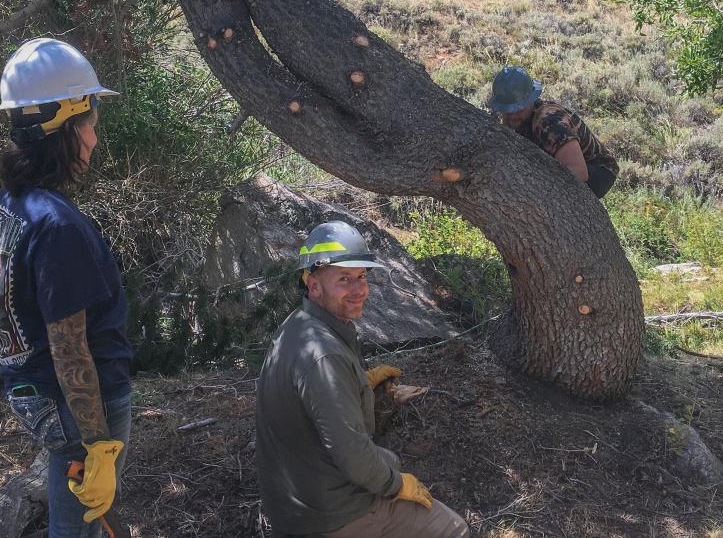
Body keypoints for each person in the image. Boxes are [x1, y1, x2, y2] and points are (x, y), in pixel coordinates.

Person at [0, 37, 131, 537]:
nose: (94, 138)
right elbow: (70, 349)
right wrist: (98, 446)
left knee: (82, 522)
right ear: (65, 127)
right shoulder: (58, 226)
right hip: (79, 407)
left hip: (35, 394)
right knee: (84, 527)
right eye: (89, 123)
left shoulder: (11, 203)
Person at [256, 221, 469, 537]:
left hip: (299, 502)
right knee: (452, 529)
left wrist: (358, 381)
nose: (358, 290)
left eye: (362, 277)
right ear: (313, 285)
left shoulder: (299, 326)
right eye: (344, 279)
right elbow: (353, 455)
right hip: (332, 516)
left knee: (390, 458)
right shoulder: (324, 356)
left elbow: (313, 400)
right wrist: (398, 484)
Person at [487, 66, 620, 198]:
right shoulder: (514, 119)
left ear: (530, 102)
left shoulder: (550, 123)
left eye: (519, 109)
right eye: (507, 110)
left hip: (597, 171)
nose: (513, 116)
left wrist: (536, 186)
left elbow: (579, 172)